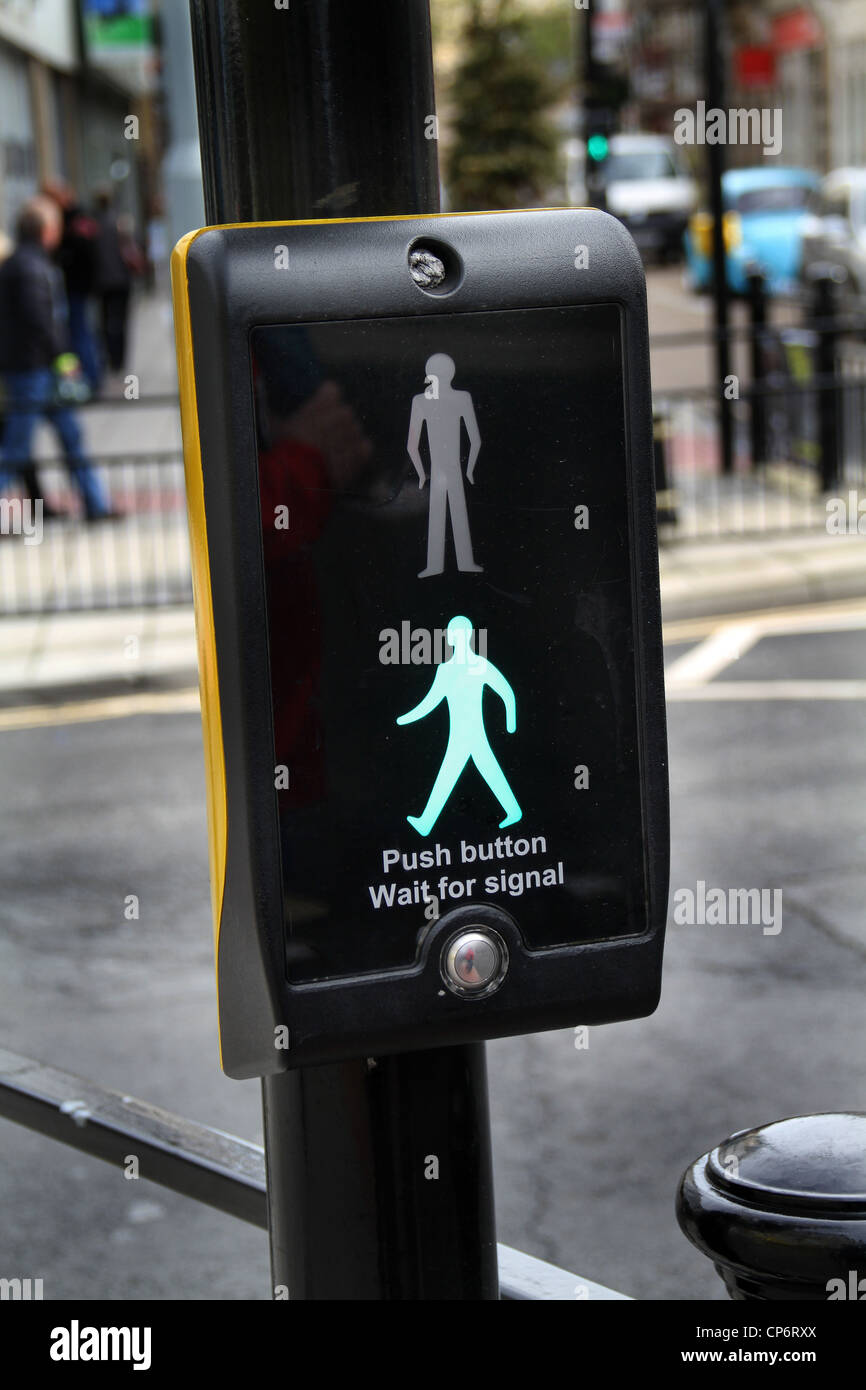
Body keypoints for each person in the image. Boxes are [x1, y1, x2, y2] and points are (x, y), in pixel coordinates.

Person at [0, 197, 118, 521]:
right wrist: (65, 359)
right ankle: (96, 505)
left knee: (70, 438)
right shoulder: (28, 267)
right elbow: (41, 322)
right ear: (46, 231)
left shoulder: (24, 264)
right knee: (16, 448)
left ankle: (97, 505)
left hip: (37, 369)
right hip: (33, 370)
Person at [42, 180, 103, 394]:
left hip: (77, 287)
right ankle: (89, 377)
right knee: (80, 332)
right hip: (78, 286)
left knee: (80, 333)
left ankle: (90, 379)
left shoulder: (74, 221)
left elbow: (84, 255)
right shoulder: (76, 219)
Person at [93, 190, 143, 379]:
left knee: (106, 321)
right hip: (122, 280)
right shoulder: (121, 223)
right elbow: (135, 245)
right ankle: (120, 360)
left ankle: (111, 359)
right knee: (121, 321)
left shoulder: (95, 225)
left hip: (103, 282)